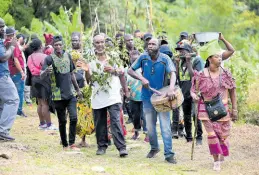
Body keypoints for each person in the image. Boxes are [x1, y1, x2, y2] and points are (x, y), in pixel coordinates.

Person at [77, 35, 129, 157]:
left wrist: (113, 71)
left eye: (102, 42)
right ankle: (102, 146)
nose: (100, 45)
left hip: (113, 95)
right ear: (93, 44)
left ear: (105, 44)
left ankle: (121, 147)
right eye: (97, 42)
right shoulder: (90, 60)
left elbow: (121, 73)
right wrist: (87, 71)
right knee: (99, 123)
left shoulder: (114, 57)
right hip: (97, 96)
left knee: (116, 121)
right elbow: (89, 81)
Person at [191, 39, 237, 171]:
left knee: (223, 135)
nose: (220, 59)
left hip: (223, 111)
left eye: (219, 56)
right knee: (212, 135)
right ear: (210, 59)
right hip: (206, 110)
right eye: (217, 56)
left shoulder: (225, 73)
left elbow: (233, 90)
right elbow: (194, 91)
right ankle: (216, 160)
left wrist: (234, 108)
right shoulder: (200, 75)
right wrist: (195, 96)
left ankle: (220, 151)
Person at [128, 38, 177, 164]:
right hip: (147, 97)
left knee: (165, 126)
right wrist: (141, 78)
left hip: (162, 98)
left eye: (153, 44)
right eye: (148, 44)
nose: (150, 46)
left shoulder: (165, 58)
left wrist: (171, 89)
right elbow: (130, 70)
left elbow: (173, 73)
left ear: (158, 47)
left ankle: (169, 154)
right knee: (149, 126)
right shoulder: (143, 57)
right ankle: (154, 148)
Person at [41, 35, 82, 150]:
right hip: (57, 94)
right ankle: (65, 144)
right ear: (53, 46)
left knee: (74, 117)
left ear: (63, 45)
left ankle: (72, 142)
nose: (58, 47)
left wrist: (78, 90)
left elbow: (72, 74)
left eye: (60, 44)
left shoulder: (68, 56)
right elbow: (41, 74)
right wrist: (45, 71)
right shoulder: (49, 59)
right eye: (56, 45)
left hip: (70, 93)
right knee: (62, 120)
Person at [175, 40, 203, 144]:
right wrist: (177, 65)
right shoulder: (181, 61)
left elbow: (195, 76)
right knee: (186, 116)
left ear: (189, 51)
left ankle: (199, 137)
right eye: (180, 51)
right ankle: (189, 137)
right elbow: (178, 78)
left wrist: (188, 62)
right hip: (184, 93)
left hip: (195, 92)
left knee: (196, 115)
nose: (181, 52)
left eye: (183, 50)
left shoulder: (196, 60)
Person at [28, 39, 57, 130]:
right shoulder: (45, 56)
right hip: (43, 80)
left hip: (34, 80)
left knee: (40, 103)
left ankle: (42, 123)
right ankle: (49, 124)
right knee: (45, 103)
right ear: (41, 46)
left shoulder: (30, 57)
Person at [0, 18, 19, 141]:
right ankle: (2, 130)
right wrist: (11, 47)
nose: (3, 29)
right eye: (1, 27)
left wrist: (6, 46)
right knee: (13, 100)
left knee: (2, 104)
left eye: (3, 26)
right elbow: (2, 58)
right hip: (2, 76)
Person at [126, 50, 148, 141]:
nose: (134, 61)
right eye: (133, 59)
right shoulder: (127, 70)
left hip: (143, 96)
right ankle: (136, 132)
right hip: (132, 97)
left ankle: (147, 135)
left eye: (137, 59)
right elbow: (126, 83)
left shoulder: (144, 69)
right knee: (135, 115)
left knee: (144, 116)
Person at [5, 28, 27, 117]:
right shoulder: (13, 44)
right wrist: (22, 71)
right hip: (16, 71)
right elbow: (16, 59)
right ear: (13, 35)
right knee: (20, 91)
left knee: (10, 93)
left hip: (9, 71)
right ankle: (18, 111)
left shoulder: (5, 43)